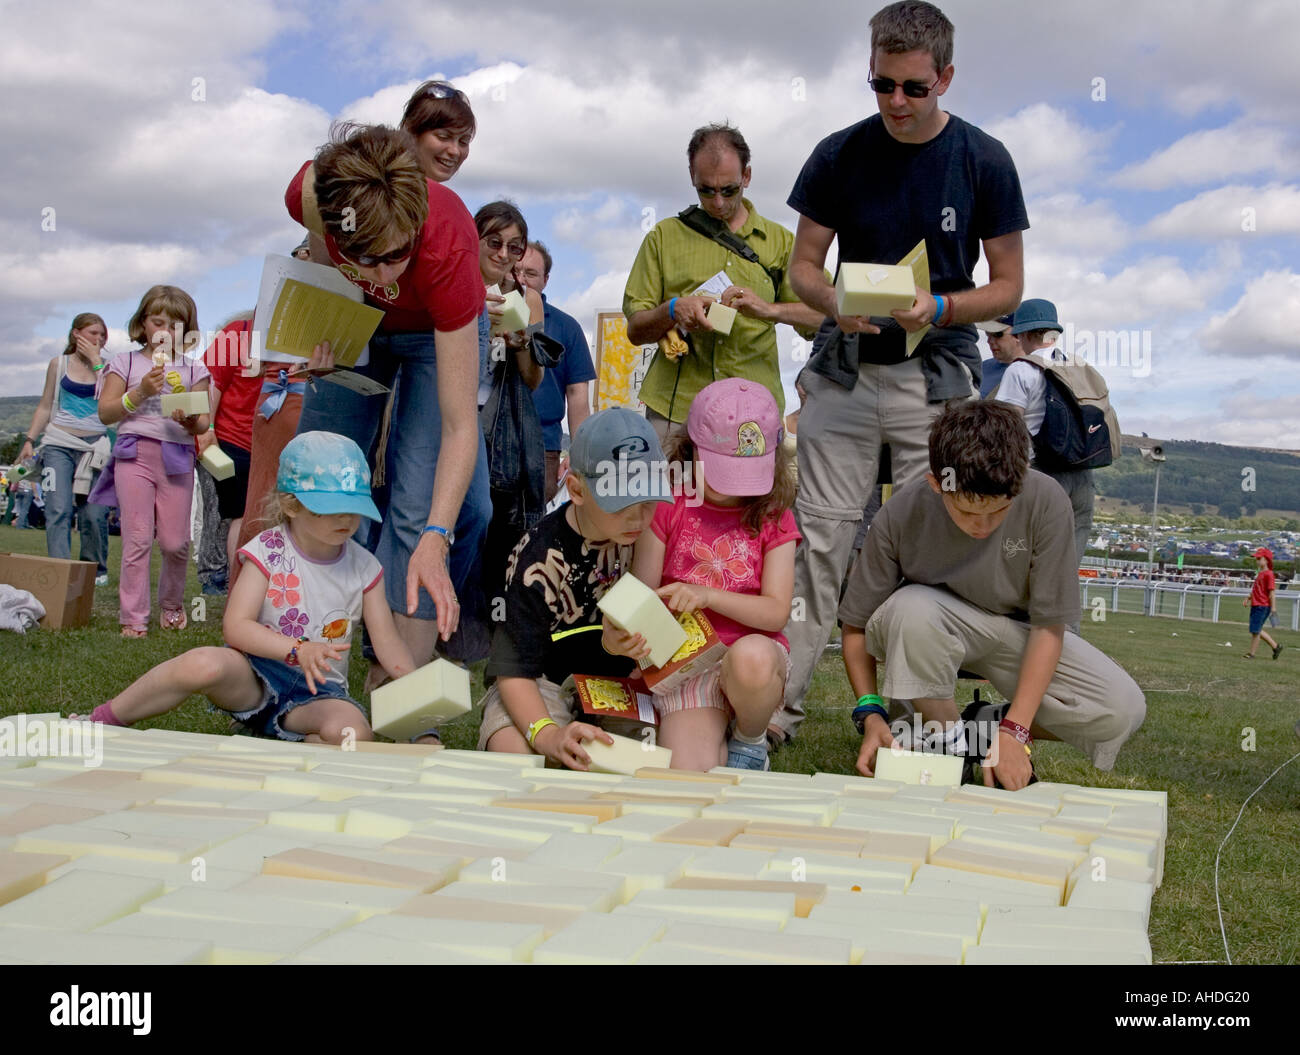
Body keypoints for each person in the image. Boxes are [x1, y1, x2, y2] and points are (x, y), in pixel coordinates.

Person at [778, 0, 1029, 745]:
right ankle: (775, 712)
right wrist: (834, 305)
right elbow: (802, 269)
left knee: (934, 551)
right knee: (819, 544)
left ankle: (930, 723)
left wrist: (943, 304)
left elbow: (1008, 286)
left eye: (914, 88)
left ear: (945, 77)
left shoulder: (984, 158)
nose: (895, 102)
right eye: (881, 84)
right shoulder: (837, 153)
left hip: (938, 378)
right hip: (847, 372)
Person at [841, 401, 1146, 788]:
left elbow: (1049, 628)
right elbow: (855, 627)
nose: (982, 526)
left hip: (1014, 635)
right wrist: (870, 714)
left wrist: (1015, 730)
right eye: (967, 512)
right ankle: (946, 741)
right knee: (911, 608)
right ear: (938, 484)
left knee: (1120, 709)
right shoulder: (901, 513)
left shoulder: (1047, 499)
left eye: (998, 512)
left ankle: (983, 728)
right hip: (928, 631)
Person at [286, 123, 489, 684]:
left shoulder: (449, 244)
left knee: (417, 508)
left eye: (396, 254)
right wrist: (325, 317)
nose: (383, 276)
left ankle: (398, 682)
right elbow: (317, 263)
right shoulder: (309, 194)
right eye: (364, 257)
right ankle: (305, 660)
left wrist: (436, 536)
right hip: (358, 325)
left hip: (433, 335)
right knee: (320, 479)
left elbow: (457, 426)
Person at [72, 433, 415, 744]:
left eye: (353, 508)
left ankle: (291, 734)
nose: (347, 519)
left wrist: (420, 702)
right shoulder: (268, 550)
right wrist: (298, 650)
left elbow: (388, 643)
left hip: (318, 694)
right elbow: (236, 628)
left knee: (353, 734)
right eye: (331, 508)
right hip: (252, 677)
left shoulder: (365, 567)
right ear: (291, 505)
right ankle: (104, 719)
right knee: (202, 663)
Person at [606, 379, 800, 772]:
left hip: (752, 661)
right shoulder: (668, 504)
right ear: (692, 448)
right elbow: (643, 598)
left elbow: (777, 612)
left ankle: (750, 738)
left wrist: (707, 595)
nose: (733, 488)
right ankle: (720, 732)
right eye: (723, 473)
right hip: (687, 665)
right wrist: (623, 637)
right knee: (687, 778)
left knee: (752, 660)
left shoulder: (773, 515)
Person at [479, 408, 671, 768]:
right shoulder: (536, 562)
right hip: (539, 683)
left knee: (648, 762)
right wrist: (547, 734)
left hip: (614, 687)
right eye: (621, 501)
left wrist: (627, 647)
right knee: (514, 757)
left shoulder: (645, 537)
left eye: (647, 500)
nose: (637, 516)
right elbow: (512, 672)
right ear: (577, 489)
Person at [623, 122, 825, 441]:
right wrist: (674, 309)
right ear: (692, 176)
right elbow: (636, 330)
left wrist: (768, 310)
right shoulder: (663, 237)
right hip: (676, 414)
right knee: (668, 494)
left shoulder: (781, 242)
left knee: (754, 494)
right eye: (706, 190)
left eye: (729, 190)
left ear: (747, 176)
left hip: (753, 416)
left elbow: (827, 317)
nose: (718, 202)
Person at [94, 286, 210, 638]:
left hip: (177, 457)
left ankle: (172, 604)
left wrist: (189, 421)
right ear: (142, 324)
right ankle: (134, 619)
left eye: (175, 324)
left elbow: (204, 422)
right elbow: (105, 413)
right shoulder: (125, 362)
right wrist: (140, 392)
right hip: (134, 454)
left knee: (176, 542)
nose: (165, 331)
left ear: (186, 330)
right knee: (138, 538)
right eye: (158, 322)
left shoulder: (194, 369)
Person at [993, 298, 1094, 599]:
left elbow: (1008, 432)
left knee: (1022, 566)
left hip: (1042, 475)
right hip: (1083, 478)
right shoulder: (1077, 367)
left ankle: (1023, 640)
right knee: (1066, 577)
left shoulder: (1020, 371)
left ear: (1022, 334)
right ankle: (1065, 640)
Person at [475, 201, 550, 596]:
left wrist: (520, 341)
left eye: (515, 247)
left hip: (502, 422)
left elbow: (533, 378)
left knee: (496, 517)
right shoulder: (456, 283)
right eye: (494, 241)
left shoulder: (526, 298)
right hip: (454, 410)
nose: (504, 254)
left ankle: (488, 614)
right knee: (468, 513)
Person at [19, 313, 112, 582]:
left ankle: (95, 569)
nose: (99, 339)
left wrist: (97, 365)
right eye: (93, 333)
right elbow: (46, 405)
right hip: (59, 442)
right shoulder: (58, 365)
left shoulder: (108, 368)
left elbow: (112, 400)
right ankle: (60, 567)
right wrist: (29, 440)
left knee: (94, 512)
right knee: (58, 508)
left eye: (102, 335)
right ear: (76, 334)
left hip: (95, 446)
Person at [518, 240, 594, 502]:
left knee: (533, 527)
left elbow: (577, 396)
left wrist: (578, 452)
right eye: (516, 271)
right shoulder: (485, 315)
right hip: (486, 441)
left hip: (544, 448)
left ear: (545, 279)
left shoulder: (566, 327)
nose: (522, 279)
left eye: (530, 273)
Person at [197, 313, 261, 595]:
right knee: (220, 511)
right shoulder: (238, 333)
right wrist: (206, 429)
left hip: (264, 446)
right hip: (226, 439)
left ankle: (244, 577)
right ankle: (213, 577)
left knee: (250, 515)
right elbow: (212, 382)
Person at [1243, 547, 1283, 660]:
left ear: (1266, 560)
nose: (1257, 561)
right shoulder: (1260, 573)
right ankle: (1276, 647)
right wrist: (1248, 597)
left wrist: (1273, 608)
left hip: (1263, 606)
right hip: (1256, 604)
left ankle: (1252, 654)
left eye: (1259, 558)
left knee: (1255, 631)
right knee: (1256, 629)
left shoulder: (1269, 574)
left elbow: (1272, 592)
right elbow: (1256, 589)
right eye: (1256, 558)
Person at [975, 313, 1015, 397]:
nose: (990, 341)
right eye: (987, 334)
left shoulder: (1039, 372)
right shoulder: (981, 368)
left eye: (998, 334)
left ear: (1019, 334)